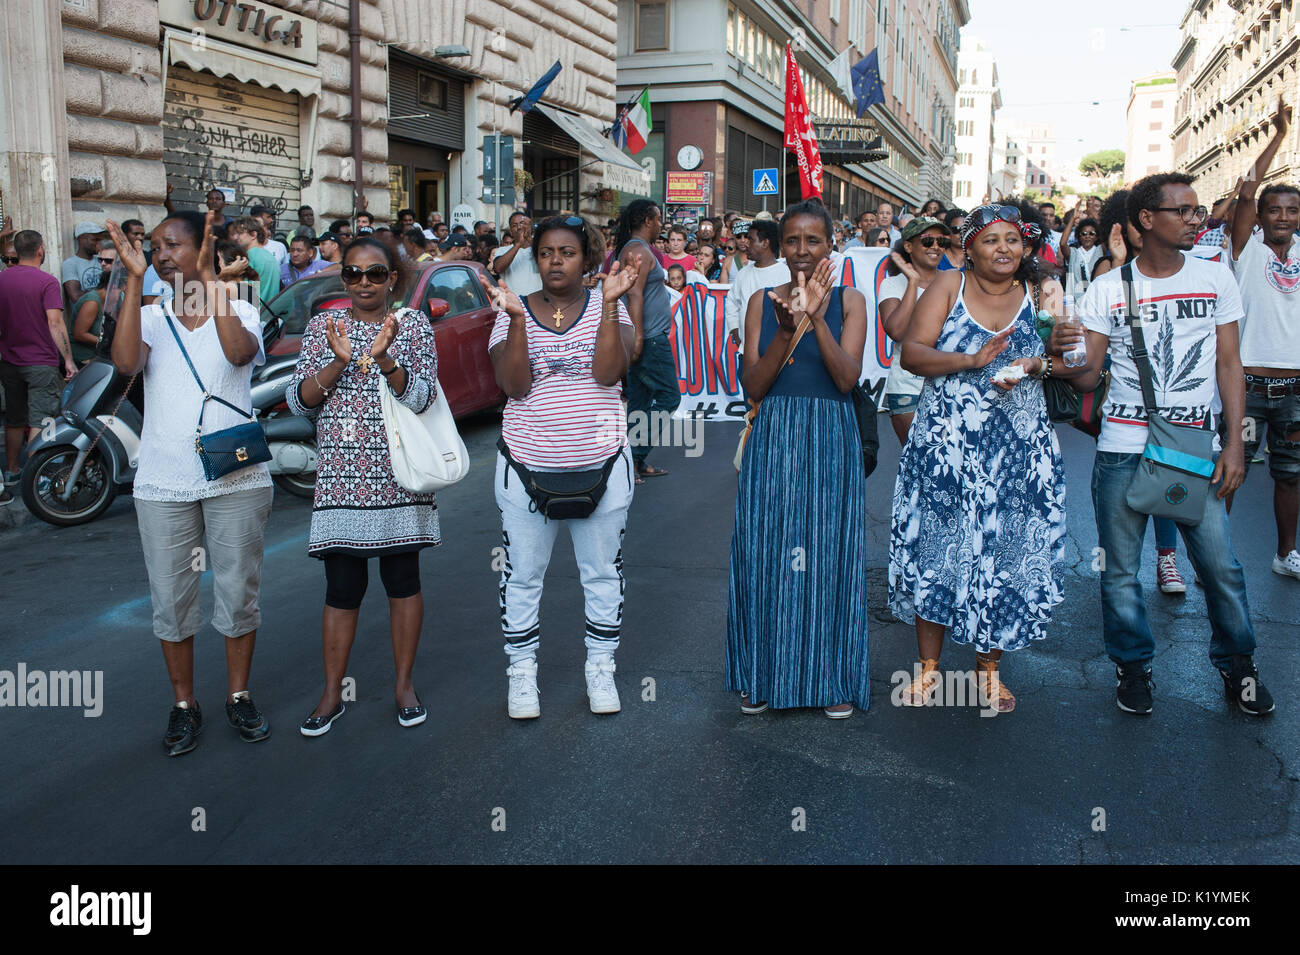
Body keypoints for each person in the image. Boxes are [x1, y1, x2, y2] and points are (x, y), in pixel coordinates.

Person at [1055, 173, 1272, 717]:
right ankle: (1132, 668)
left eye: (1199, 212)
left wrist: (1235, 446)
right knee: (1120, 570)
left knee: (1220, 567)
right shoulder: (1109, 288)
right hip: (1123, 448)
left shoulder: (1215, 276)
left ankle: (1239, 668)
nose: (1196, 220)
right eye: (1184, 211)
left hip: (1194, 446)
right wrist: (1065, 353)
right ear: (1146, 219)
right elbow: (1087, 379)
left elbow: (1230, 364)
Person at [105, 212, 275, 756]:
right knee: (171, 598)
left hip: (236, 475)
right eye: (153, 248)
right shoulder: (151, 317)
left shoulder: (241, 307)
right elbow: (126, 363)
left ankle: (238, 694)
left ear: (201, 248)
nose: (159, 255)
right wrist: (133, 283)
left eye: (171, 245)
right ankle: (184, 704)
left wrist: (216, 285)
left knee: (236, 590)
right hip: (163, 478)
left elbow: (238, 353)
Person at [889, 203, 1068, 713]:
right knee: (938, 552)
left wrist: (1040, 363)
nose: (1003, 249)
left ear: (1026, 245)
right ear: (969, 246)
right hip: (948, 447)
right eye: (991, 240)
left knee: (1004, 559)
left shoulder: (1041, 293)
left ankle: (989, 673)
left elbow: (1072, 361)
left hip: (1018, 450)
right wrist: (971, 360)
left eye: (1013, 239)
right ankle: (928, 674)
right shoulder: (948, 285)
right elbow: (913, 353)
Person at [484, 216, 640, 719]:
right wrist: (513, 321)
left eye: (567, 252)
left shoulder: (607, 305)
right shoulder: (513, 308)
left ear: (586, 259)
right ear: (536, 257)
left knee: (601, 576)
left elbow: (608, 372)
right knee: (523, 577)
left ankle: (600, 670)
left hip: (602, 464)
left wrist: (613, 305)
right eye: (547, 251)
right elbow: (514, 386)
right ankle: (521, 674)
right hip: (527, 467)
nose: (556, 260)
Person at [285, 237, 439, 736]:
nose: (365, 283)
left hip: (399, 475)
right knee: (342, 589)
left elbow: (421, 397)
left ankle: (404, 685)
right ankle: (332, 693)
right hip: (341, 480)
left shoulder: (412, 326)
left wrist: (385, 358)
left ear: (393, 277)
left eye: (376, 273)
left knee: (403, 582)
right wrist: (340, 360)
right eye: (354, 274)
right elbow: (299, 402)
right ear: (343, 279)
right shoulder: (322, 327)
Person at [727, 198, 870, 718]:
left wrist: (817, 318)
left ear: (831, 244)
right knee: (765, 553)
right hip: (776, 432)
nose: (803, 250)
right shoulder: (762, 301)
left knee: (829, 558)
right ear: (780, 247)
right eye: (793, 240)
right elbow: (754, 385)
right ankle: (763, 674)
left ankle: (830, 678)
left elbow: (846, 378)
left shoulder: (852, 301)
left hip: (831, 433)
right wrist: (788, 330)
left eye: (814, 240)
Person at [1086, 189, 1187, 593]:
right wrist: (1118, 262)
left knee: (1163, 478)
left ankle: (1167, 559)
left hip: (1167, 397)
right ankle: (1117, 566)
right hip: (1118, 395)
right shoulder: (1108, 270)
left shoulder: (1179, 269)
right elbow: (1095, 331)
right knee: (1121, 485)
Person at [1224, 96, 1300, 580]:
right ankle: (1217, 554)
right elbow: (1245, 190)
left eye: (1293, 210)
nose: (1284, 217)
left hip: (1294, 389)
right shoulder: (1245, 248)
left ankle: (1285, 553)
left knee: (1291, 475)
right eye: (1274, 210)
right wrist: (1278, 136)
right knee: (1234, 471)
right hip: (1247, 386)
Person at [1, 229, 76, 487]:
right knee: (40, 418)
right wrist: (68, 359)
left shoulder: (2, 279)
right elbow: (55, 323)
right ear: (40, 250)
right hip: (40, 362)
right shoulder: (47, 281)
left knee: (14, 418)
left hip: (8, 360)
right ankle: (38, 477)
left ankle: (11, 471)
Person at [614, 200, 680, 482]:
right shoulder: (639, 250)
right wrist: (638, 337)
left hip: (647, 336)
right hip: (650, 338)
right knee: (669, 396)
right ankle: (632, 456)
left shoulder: (635, 249)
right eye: (658, 218)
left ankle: (632, 461)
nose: (661, 224)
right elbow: (635, 295)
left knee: (640, 402)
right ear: (647, 220)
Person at [879, 216, 953, 445]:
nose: (936, 247)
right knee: (918, 461)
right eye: (928, 241)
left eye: (942, 242)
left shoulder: (955, 282)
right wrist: (913, 282)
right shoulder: (892, 284)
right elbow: (897, 331)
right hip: (908, 388)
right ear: (909, 246)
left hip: (951, 386)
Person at [724, 217, 789, 349]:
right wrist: (736, 335)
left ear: (765, 243)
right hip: (745, 351)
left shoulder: (786, 274)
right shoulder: (743, 273)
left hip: (778, 353)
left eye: (751, 239)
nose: (746, 243)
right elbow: (731, 303)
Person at [69, 241, 116, 365]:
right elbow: (79, 334)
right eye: (100, 260)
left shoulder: (121, 293)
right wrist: (109, 344)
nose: (103, 264)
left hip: (105, 357)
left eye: (108, 261)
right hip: (85, 359)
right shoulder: (93, 300)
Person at [226, 216, 281, 305]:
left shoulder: (251, 256)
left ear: (253, 235)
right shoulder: (269, 256)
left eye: (240, 233)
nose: (235, 237)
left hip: (253, 311)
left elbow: (245, 292)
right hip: (266, 313)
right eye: (235, 233)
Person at [1059, 200, 1103, 298]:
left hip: (1096, 299)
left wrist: (1094, 215)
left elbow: (1106, 233)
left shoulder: (1100, 250)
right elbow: (1062, 244)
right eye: (1084, 233)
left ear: (1096, 237)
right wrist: (1073, 219)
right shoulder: (1073, 253)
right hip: (1075, 302)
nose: (1087, 236)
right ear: (1079, 237)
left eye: (1091, 233)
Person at [491, 212, 541, 296]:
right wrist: (518, 244)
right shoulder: (502, 250)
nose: (519, 227)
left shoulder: (540, 247)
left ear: (529, 227)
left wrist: (529, 238)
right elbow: (498, 268)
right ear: (511, 231)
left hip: (537, 302)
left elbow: (545, 260)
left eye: (522, 223)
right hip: (514, 302)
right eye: (514, 225)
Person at [61, 222, 106, 305]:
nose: (99, 244)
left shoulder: (102, 261)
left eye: (100, 240)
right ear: (82, 239)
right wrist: (105, 292)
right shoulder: (70, 264)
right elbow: (76, 296)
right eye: (95, 240)